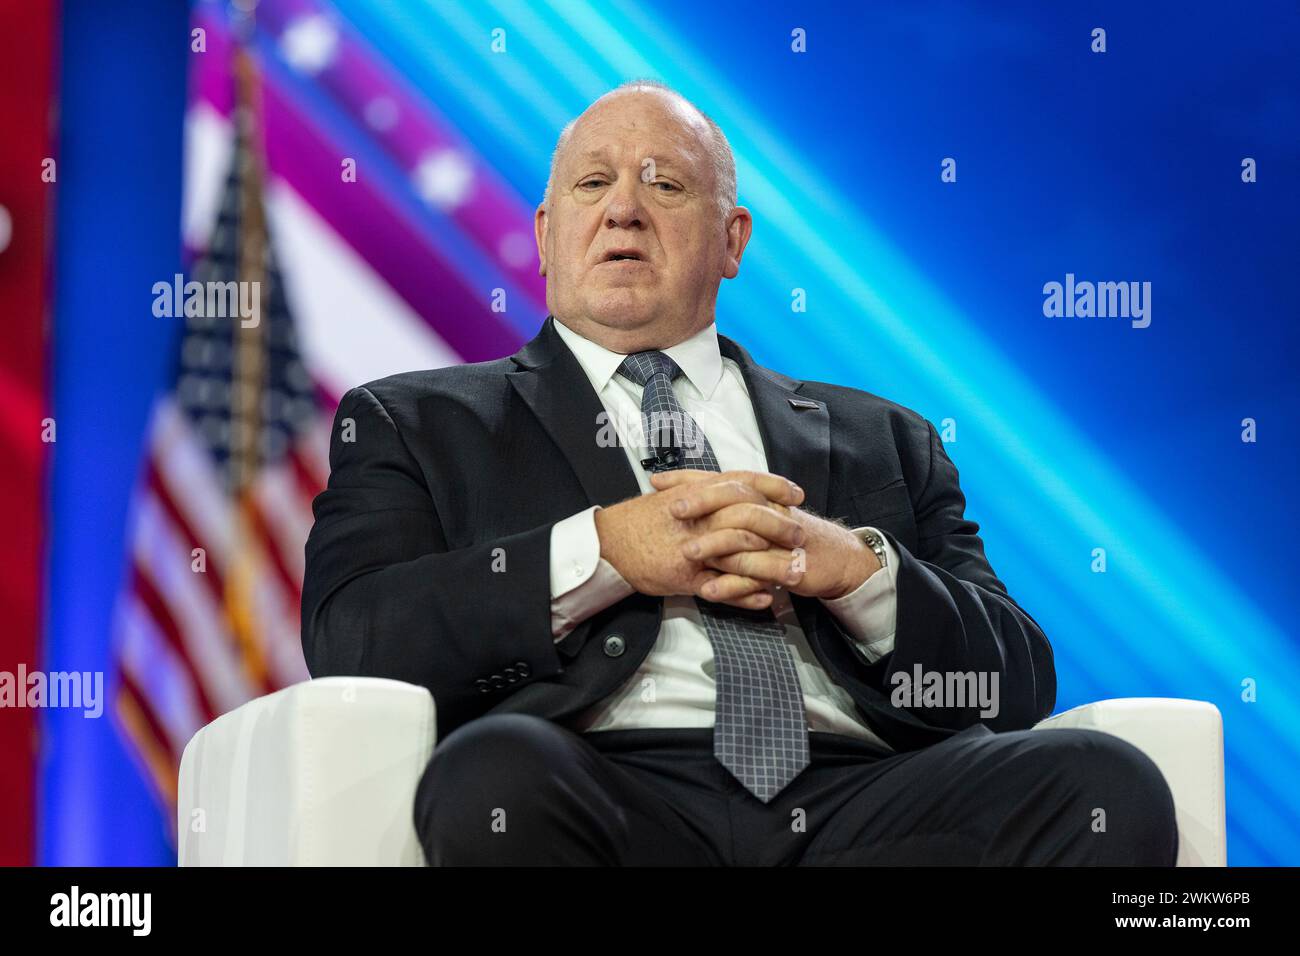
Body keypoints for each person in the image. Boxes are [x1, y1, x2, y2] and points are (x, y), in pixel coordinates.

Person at [301, 80, 1177, 866]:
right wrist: (606, 552)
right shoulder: (417, 421)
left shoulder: (884, 437)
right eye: (592, 183)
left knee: (1104, 786)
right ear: (544, 234)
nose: (624, 212)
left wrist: (854, 571)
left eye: (666, 184)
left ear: (732, 241)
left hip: (862, 803)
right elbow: (355, 636)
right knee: (490, 780)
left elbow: (1013, 682)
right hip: (598, 787)